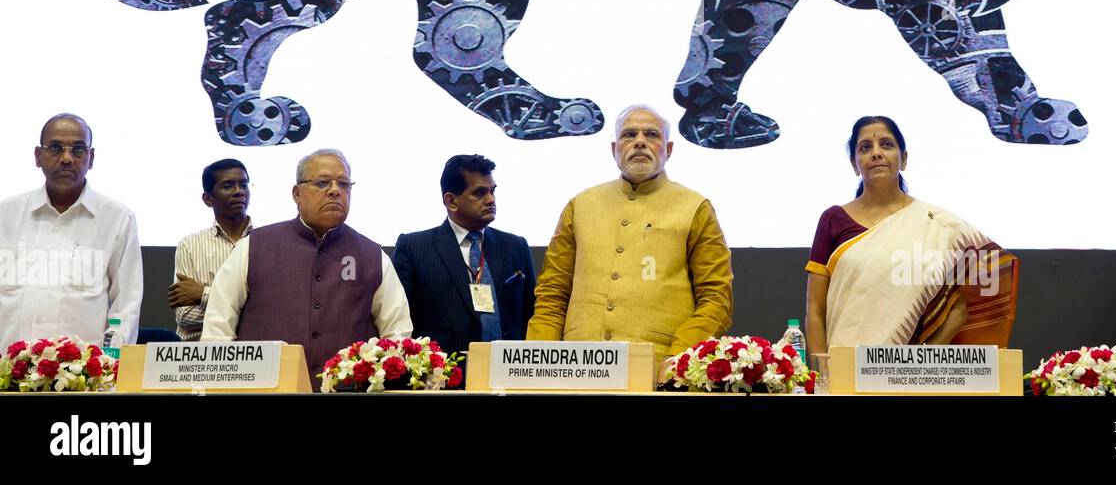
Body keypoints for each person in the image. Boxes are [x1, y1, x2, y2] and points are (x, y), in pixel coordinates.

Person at [527, 105, 732, 360]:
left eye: (652, 135)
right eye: (629, 135)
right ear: (614, 150)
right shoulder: (580, 205)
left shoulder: (695, 208)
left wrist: (678, 358)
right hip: (579, 367)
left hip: (659, 369)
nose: (640, 142)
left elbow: (716, 299)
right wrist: (537, 361)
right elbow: (552, 294)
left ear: (668, 150)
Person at [805, 115, 1017, 354]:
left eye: (886, 144)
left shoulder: (940, 225)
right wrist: (823, 375)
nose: (876, 153)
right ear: (855, 164)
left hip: (909, 376)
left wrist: (923, 358)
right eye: (865, 147)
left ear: (903, 159)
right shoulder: (833, 220)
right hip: (843, 368)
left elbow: (969, 298)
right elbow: (815, 310)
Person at [202, 149, 412, 387]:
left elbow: (397, 334)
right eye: (322, 183)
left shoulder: (372, 255)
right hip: (264, 393)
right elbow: (217, 332)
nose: (335, 190)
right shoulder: (253, 247)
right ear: (297, 193)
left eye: (344, 184)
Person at [0, 114, 142, 346]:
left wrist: (110, 369)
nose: (66, 158)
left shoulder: (117, 218)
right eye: (55, 148)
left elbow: (126, 307)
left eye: (78, 150)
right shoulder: (5, 214)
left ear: (91, 157)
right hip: (7, 374)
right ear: (38, 156)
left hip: (85, 377)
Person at [393, 154, 535, 353]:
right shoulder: (414, 248)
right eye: (479, 193)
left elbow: (531, 315)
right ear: (451, 201)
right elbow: (401, 324)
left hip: (508, 374)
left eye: (492, 191)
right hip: (444, 377)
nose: (491, 199)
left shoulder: (515, 246)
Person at [170, 159, 254, 341]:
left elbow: (272, 310)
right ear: (208, 199)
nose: (239, 192)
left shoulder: (266, 243)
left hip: (254, 355)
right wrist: (250, 311)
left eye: (243, 184)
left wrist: (203, 294)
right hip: (199, 357)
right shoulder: (190, 245)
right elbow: (185, 316)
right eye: (228, 186)